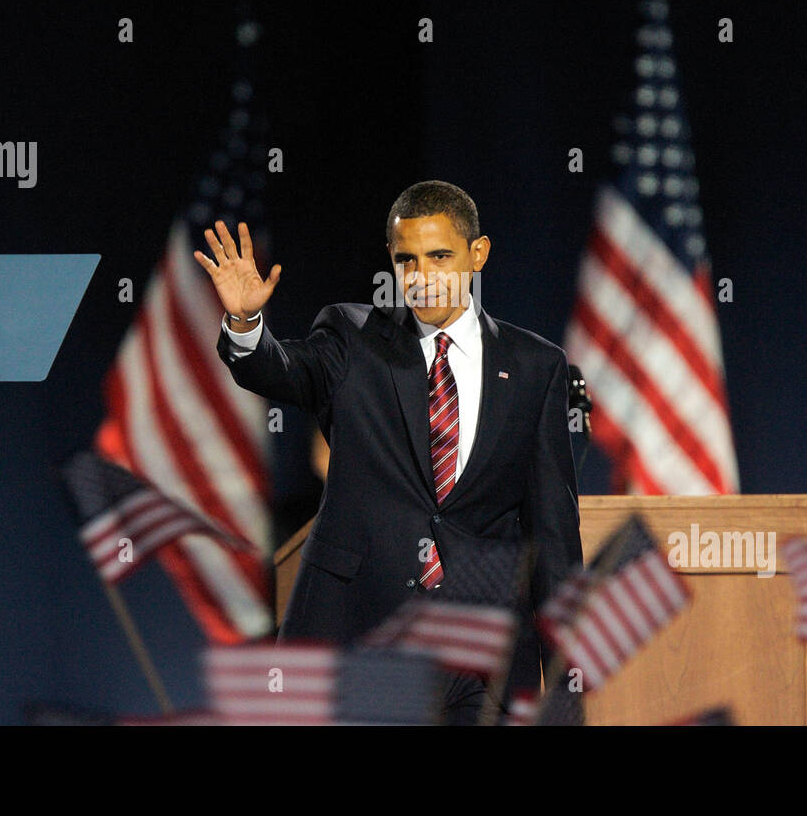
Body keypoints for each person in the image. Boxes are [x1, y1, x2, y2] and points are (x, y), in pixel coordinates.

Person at [195, 180, 583, 724]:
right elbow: (281, 371)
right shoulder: (353, 338)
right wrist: (245, 325)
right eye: (407, 260)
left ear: (478, 254)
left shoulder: (536, 367)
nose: (422, 277)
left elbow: (553, 539)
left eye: (440, 256)